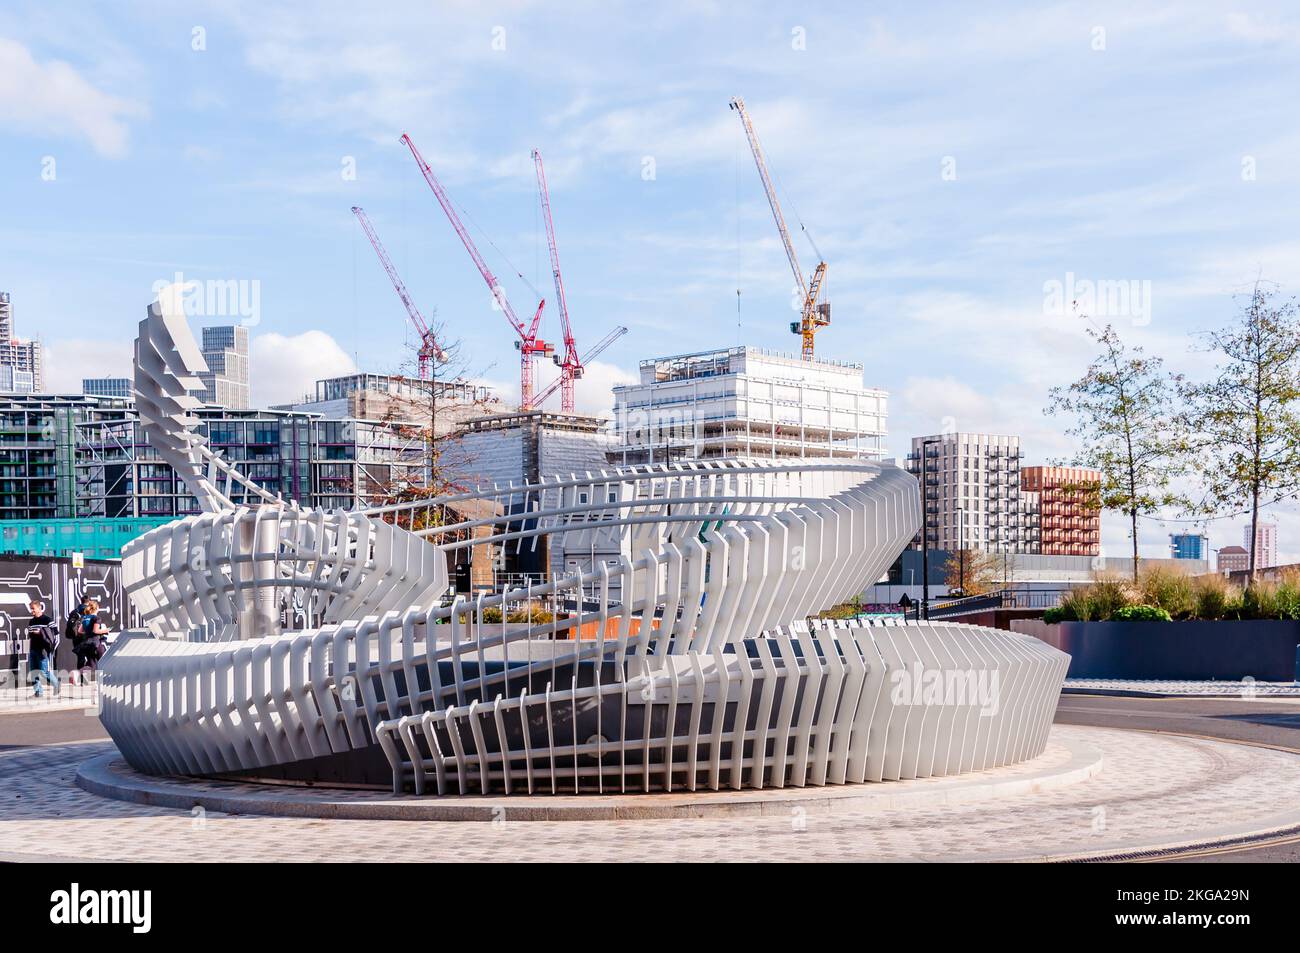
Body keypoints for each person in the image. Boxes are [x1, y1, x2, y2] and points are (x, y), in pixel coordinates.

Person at [26, 600, 59, 697]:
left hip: (43, 650)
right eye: (31, 609)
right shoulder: (31, 621)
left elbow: (56, 635)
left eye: (33, 609)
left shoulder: (48, 620)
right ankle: (38, 692)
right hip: (33, 649)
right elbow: (31, 635)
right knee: (33, 672)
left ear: (39, 608)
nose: (31, 611)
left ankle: (57, 684)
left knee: (44, 672)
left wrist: (51, 649)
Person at [74, 599, 108, 683]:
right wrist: (105, 630)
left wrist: (88, 631)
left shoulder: (85, 618)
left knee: (91, 665)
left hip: (87, 644)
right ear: (97, 608)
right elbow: (95, 631)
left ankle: (77, 673)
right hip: (96, 644)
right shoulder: (97, 618)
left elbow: (80, 631)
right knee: (103, 663)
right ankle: (102, 683)